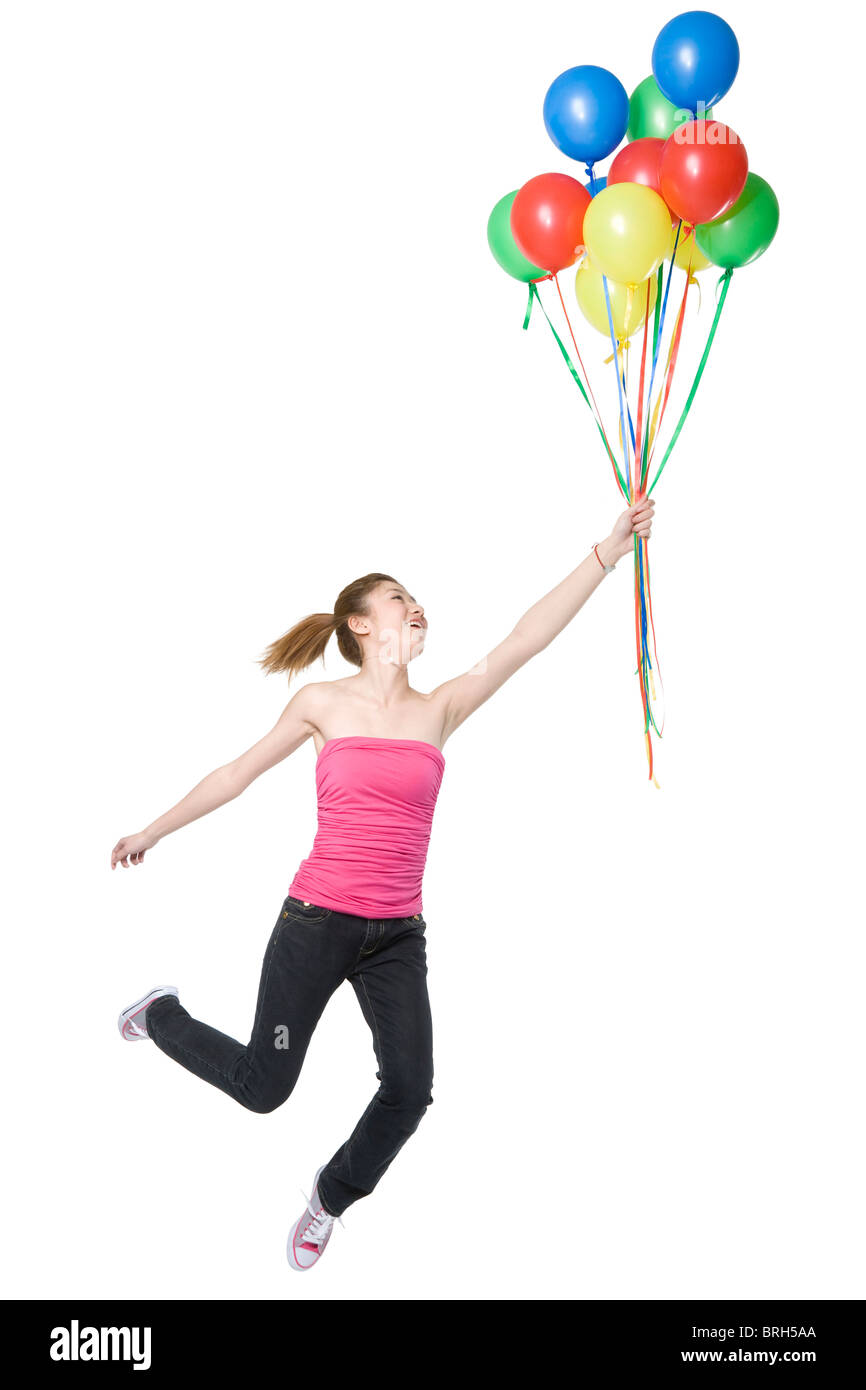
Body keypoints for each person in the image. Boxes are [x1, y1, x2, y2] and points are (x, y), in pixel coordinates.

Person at [111, 494, 655, 1270]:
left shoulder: (441, 708)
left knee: (410, 1090)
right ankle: (161, 1013)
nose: (415, 605)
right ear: (363, 625)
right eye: (399, 596)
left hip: (396, 935)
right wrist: (153, 830)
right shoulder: (321, 704)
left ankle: (329, 1199)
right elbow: (234, 773)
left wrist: (610, 550)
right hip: (315, 924)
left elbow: (525, 639)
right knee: (264, 1089)